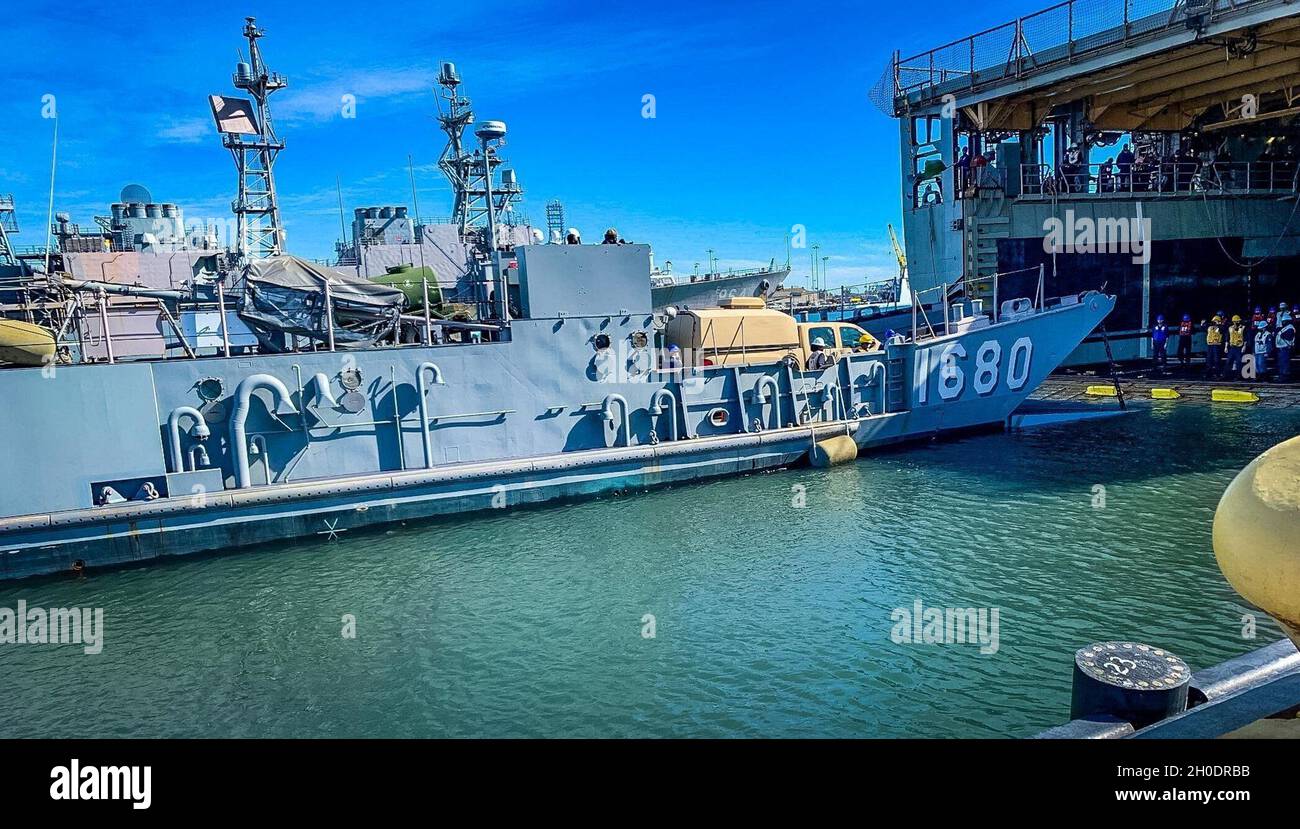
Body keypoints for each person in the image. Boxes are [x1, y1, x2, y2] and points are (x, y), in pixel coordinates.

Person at [1204, 313, 1225, 378]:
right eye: (1214, 321)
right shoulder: (1210, 327)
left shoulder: (1221, 327)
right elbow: (1204, 328)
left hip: (1217, 345)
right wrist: (1203, 324)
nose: (1214, 322)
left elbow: (1222, 330)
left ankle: (1217, 374)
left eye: (1216, 321)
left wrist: (1219, 324)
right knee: (1209, 360)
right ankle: (1208, 373)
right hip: (1210, 345)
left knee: (1217, 360)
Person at [1227, 314, 1247, 379]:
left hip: (1239, 347)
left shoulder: (1243, 328)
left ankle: (1239, 376)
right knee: (1229, 361)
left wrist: (1244, 346)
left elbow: (1246, 338)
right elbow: (1227, 337)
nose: (1236, 323)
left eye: (1237, 321)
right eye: (1235, 321)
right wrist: (1226, 346)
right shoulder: (1230, 328)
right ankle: (1227, 375)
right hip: (1232, 347)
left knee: (1239, 362)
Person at [1277, 312, 1295, 382]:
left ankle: (1285, 377)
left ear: (1287, 321)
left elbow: (1289, 337)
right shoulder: (1285, 328)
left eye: (1284, 321)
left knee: (1285, 363)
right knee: (1281, 363)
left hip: (1285, 347)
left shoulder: (1290, 328)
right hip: (1281, 348)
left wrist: (1283, 335)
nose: (1283, 322)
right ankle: (1282, 376)